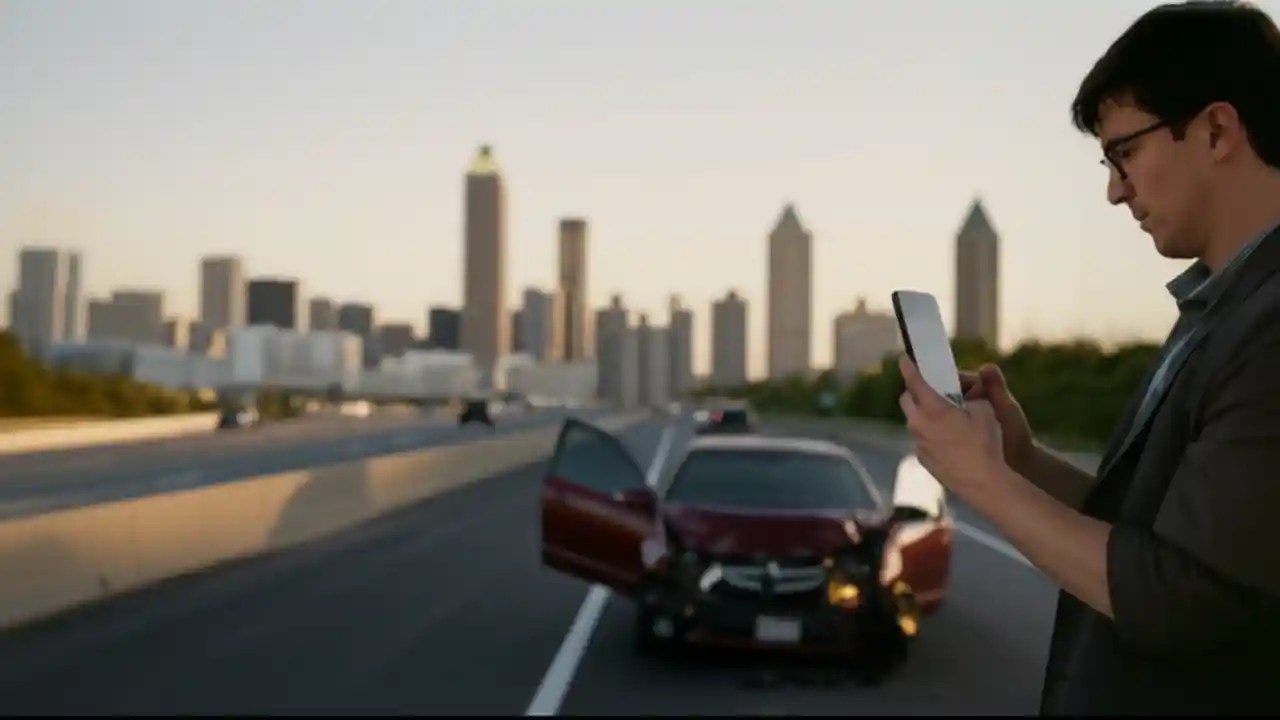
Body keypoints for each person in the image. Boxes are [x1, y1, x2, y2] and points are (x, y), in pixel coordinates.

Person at [896, 1, 1280, 714]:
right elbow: (1145, 536)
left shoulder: (1268, 324)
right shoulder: (1218, 310)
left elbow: (1177, 595)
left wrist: (979, 480)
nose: (1113, 190)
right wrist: (1022, 459)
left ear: (1217, 130)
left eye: (1125, 153)